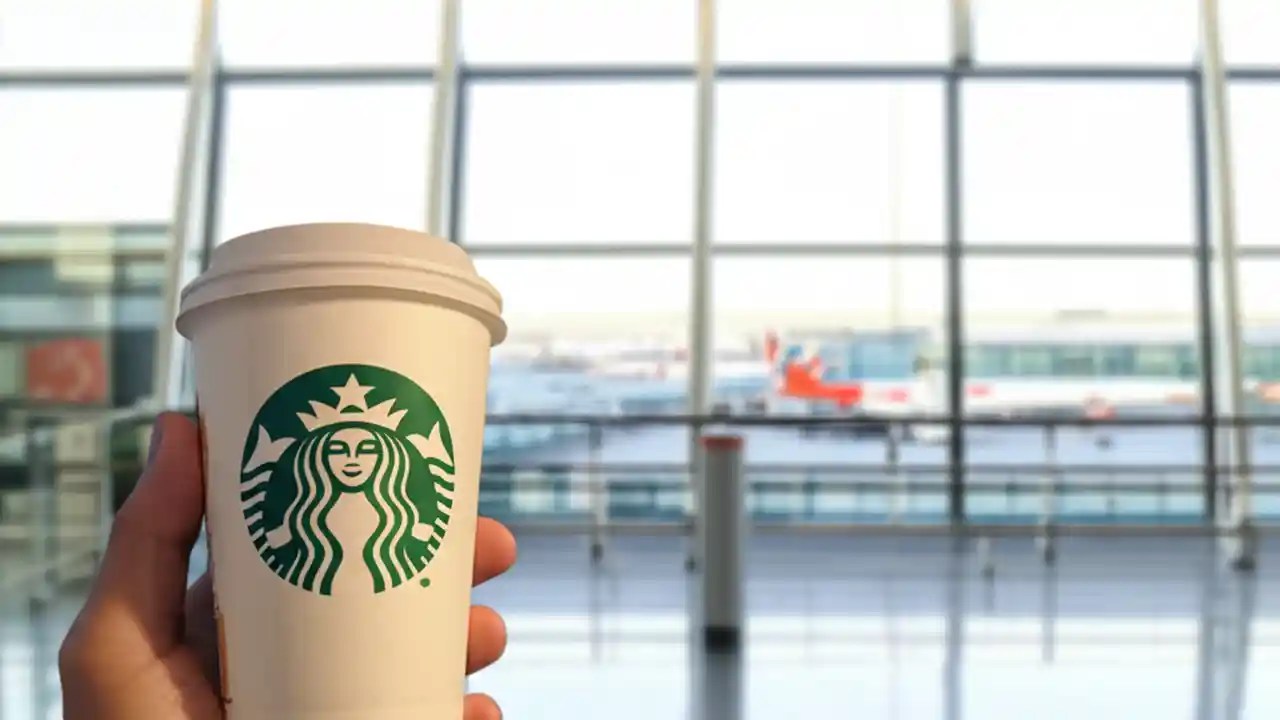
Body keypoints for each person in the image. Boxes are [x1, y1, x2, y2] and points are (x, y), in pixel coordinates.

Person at [59, 413, 514, 720]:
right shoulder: (302, 523)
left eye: (367, 451)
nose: (353, 462)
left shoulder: (396, 525)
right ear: (315, 458)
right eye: (338, 451)